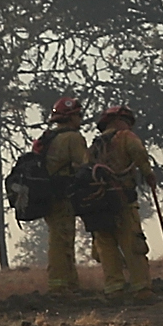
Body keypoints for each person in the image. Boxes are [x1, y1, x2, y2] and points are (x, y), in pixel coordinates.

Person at [87, 105, 157, 298]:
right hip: (123, 200)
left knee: (106, 247)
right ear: (120, 121)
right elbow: (139, 154)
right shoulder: (126, 137)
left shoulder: (94, 146)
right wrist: (148, 174)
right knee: (133, 243)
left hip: (99, 205)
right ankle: (141, 288)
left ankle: (114, 290)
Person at [36, 97, 92, 296]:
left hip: (49, 195)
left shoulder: (49, 137)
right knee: (62, 240)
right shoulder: (73, 137)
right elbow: (85, 166)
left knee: (62, 238)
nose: (81, 119)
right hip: (62, 195)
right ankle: (59, 286)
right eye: (79, 115)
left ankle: (70, 284)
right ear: (71, 117)